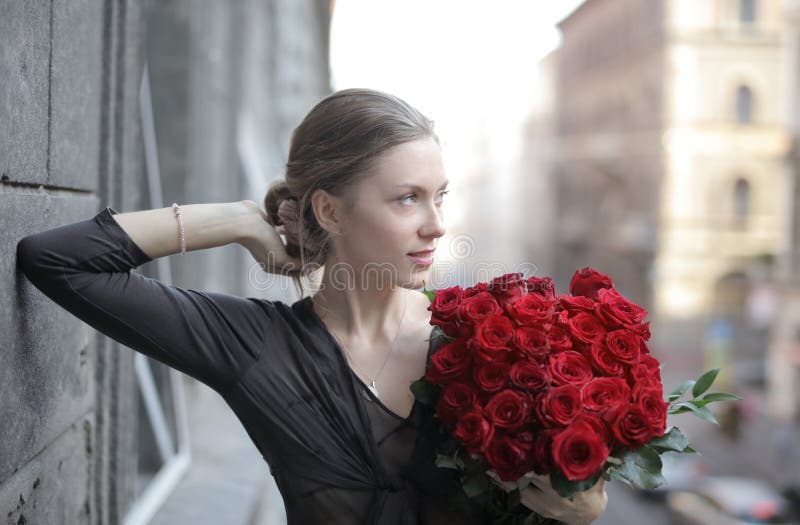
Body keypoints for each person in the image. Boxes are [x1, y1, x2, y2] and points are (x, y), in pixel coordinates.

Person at [16, 88, 607, 524]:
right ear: (328, 211)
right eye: (407, 199)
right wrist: (237, 220)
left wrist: (580, 510)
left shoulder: (490, 341)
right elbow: (58, 260)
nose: (436, 225)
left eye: (439, 197)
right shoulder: (252, 345)